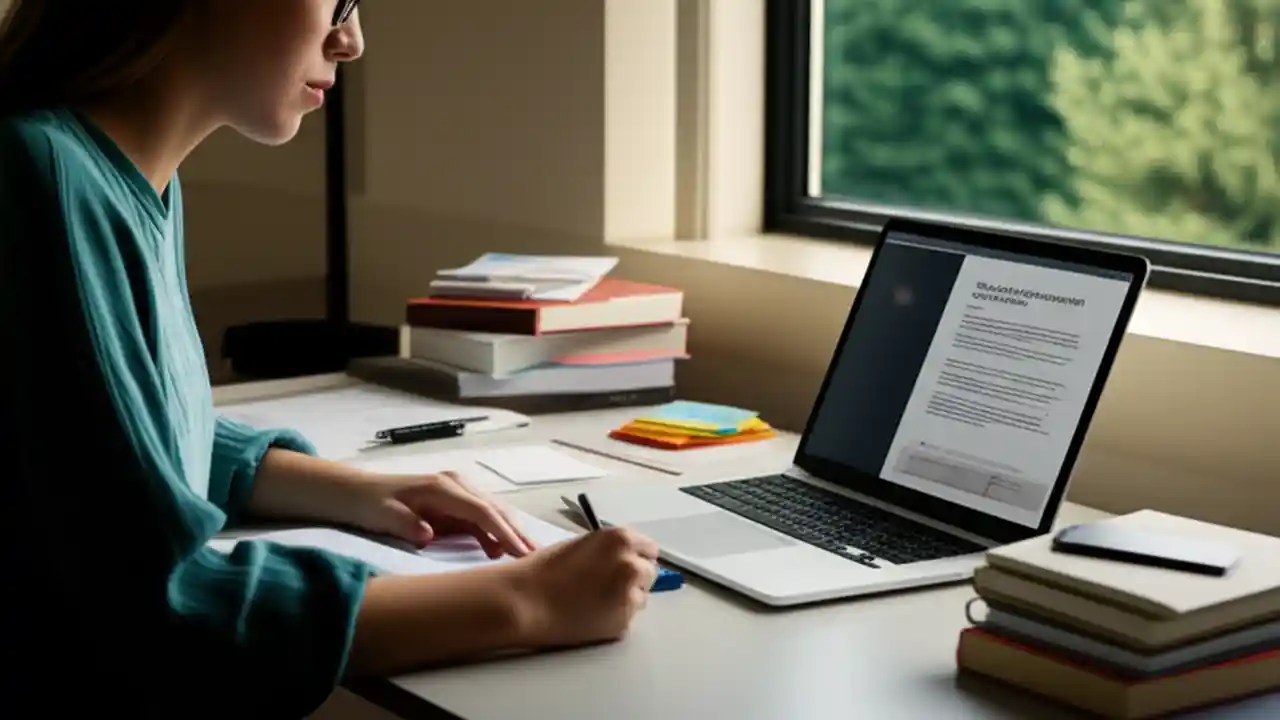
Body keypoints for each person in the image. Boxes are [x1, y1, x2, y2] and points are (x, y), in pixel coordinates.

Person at [0, 1, 660, 716]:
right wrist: (524, 599)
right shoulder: (42, 177)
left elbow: (116, 435)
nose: (351, 42)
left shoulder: (128, 179)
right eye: (338, 2)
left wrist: (357, 490)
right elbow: (151, 614)